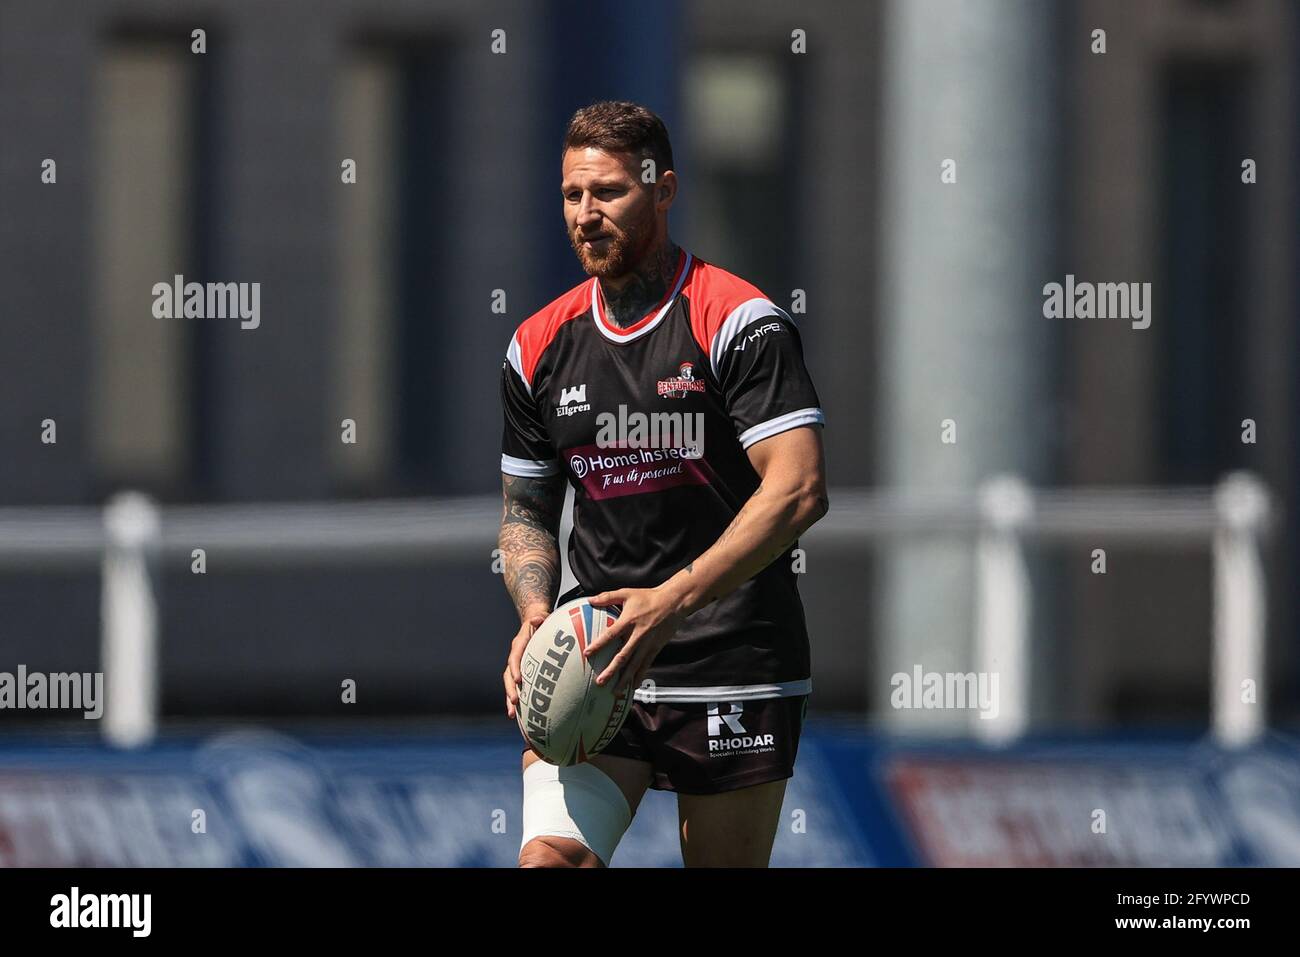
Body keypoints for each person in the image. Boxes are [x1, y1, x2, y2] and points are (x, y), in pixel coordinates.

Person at [498, 100, 828, 867]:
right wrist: (535, 613)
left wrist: (672, 600)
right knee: (551, 863)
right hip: (599, 657)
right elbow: (526, 509)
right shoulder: (536, 346)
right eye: (573, 194)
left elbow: (800, 489)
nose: (586, 214)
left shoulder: (738, 321)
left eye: (608, 192)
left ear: (664, 189)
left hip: (731, 658)